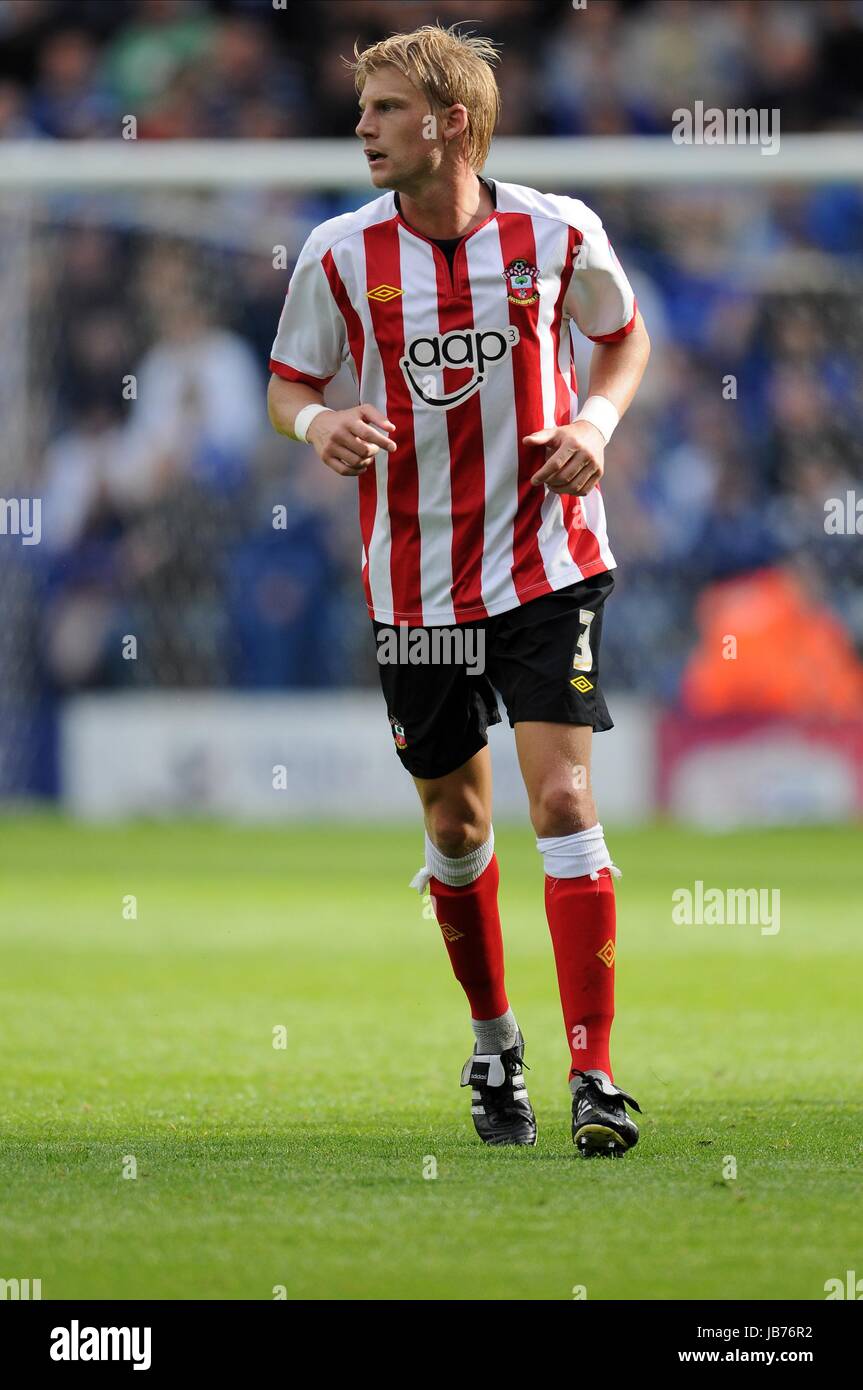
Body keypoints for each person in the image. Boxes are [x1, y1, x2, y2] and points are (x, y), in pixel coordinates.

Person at [267, 24, 650, 1156]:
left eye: (384, 108)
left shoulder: (557, 227)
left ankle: (595, 1074)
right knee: (456, 822)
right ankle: (494, 1041)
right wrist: (319, 419)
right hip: (416, 584)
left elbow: (621, 342)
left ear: (451, 125)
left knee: (566, 805)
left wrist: (593, 418)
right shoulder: (337, 253)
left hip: (548, 561)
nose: (363, 127)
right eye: (363, 108)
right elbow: (286, 381)